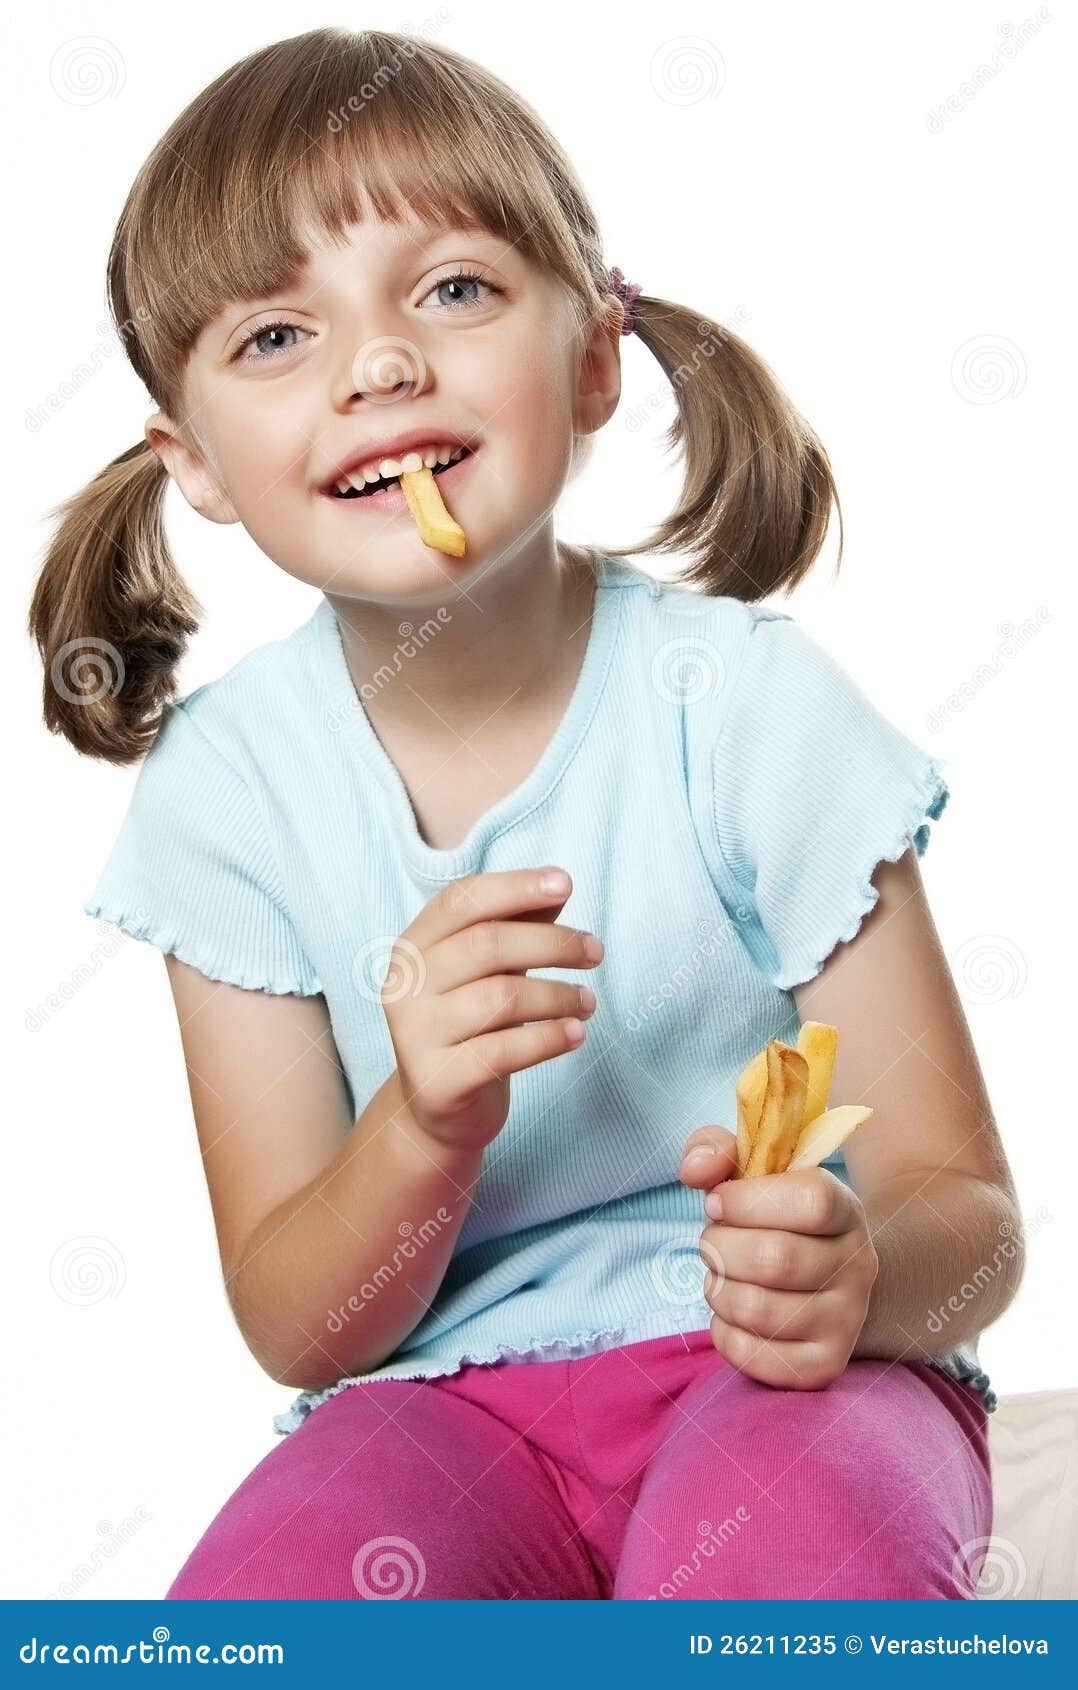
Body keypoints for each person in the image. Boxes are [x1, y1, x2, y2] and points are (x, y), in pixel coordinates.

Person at [29, 27, 1018, 1600]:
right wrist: (417, 1129)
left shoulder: (750, 708)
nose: (377, 366)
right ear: (194, 461)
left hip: (789, 1378)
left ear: (594, 353)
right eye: (276, 335)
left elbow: (969, 1222)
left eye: (453, 291)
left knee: (795, 1577)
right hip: (437, 1406)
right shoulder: (227, 797)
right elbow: (298, 1319)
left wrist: (855, 1275)